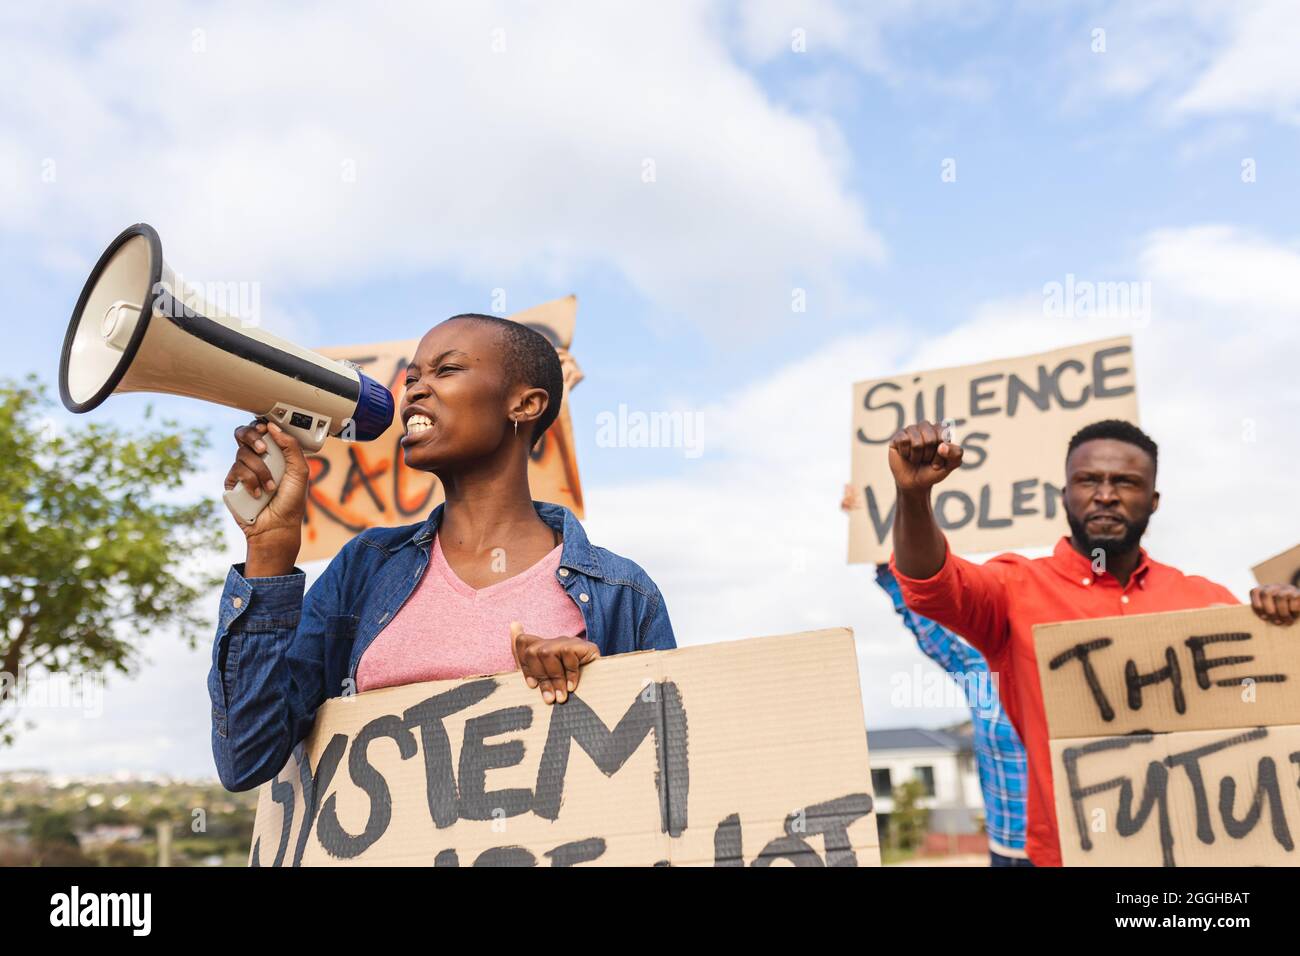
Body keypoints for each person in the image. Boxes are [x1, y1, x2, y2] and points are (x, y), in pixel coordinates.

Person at [208, 314, 676, 792]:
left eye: (446, 371)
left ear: (525, 403)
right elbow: (246, 757)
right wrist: (270, 550)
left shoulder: (622, 593)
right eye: (411, 378)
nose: (413, 390)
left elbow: (665, 778)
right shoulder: (365, 568)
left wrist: (600, 686)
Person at [887, 418, 1300, 866]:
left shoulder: (1208, 600)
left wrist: (1285, 627)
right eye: (1088, 480)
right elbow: (927, 579)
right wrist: (913, 496)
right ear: (1064, 495)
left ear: (1153, 500)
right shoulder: (1011, 590)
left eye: (1125, 481)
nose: (1105, 494)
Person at [843, 486, 1029, 865]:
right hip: (1012, 852)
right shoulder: (980, 666)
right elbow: (923, 618)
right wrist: (871, 531)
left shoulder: (1086, 662)